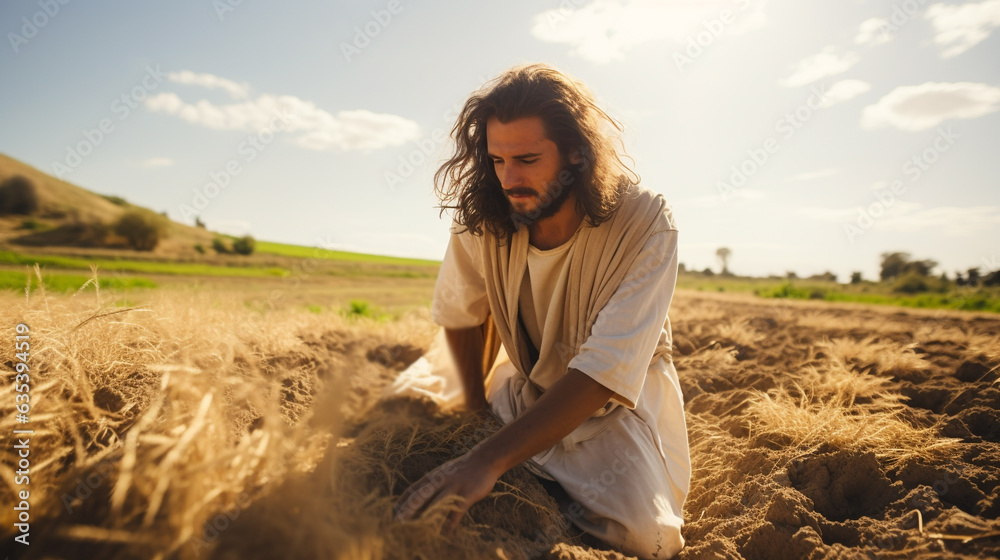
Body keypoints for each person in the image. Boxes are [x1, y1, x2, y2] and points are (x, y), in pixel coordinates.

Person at [390, 63, 690, 560]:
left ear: (576, 152)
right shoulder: (483, 216)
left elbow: (604, 374)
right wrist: (472, 424)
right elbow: (464, 317)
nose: (510, 179)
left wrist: (485, 461)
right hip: (520, 386)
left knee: (650, 540)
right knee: (406, 420)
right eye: (497, 160)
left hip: (610, 406)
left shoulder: (646, 222)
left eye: (527, 159)